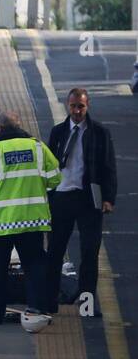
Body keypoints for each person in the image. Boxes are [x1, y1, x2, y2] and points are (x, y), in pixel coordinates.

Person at [0, 111, 60, 326]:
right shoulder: (37, 147)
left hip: (1, 225)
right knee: (34, 266)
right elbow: (55, 178)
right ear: (20, 125)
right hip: (33, 221)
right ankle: (37, 310)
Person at [45, 88, 117, 315]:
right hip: (62, 197)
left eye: (81, 106)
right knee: (55, 251)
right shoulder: (57, 132)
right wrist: (47, 197)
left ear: (88, 106)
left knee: (89, 252)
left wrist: (108, 198)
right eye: (74, 106)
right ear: (68, 105)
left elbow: (108, 167)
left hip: (88, 198)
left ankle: (87, 304)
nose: (77, 111)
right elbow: (48, 167)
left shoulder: (99, 133)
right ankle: (50, 300)